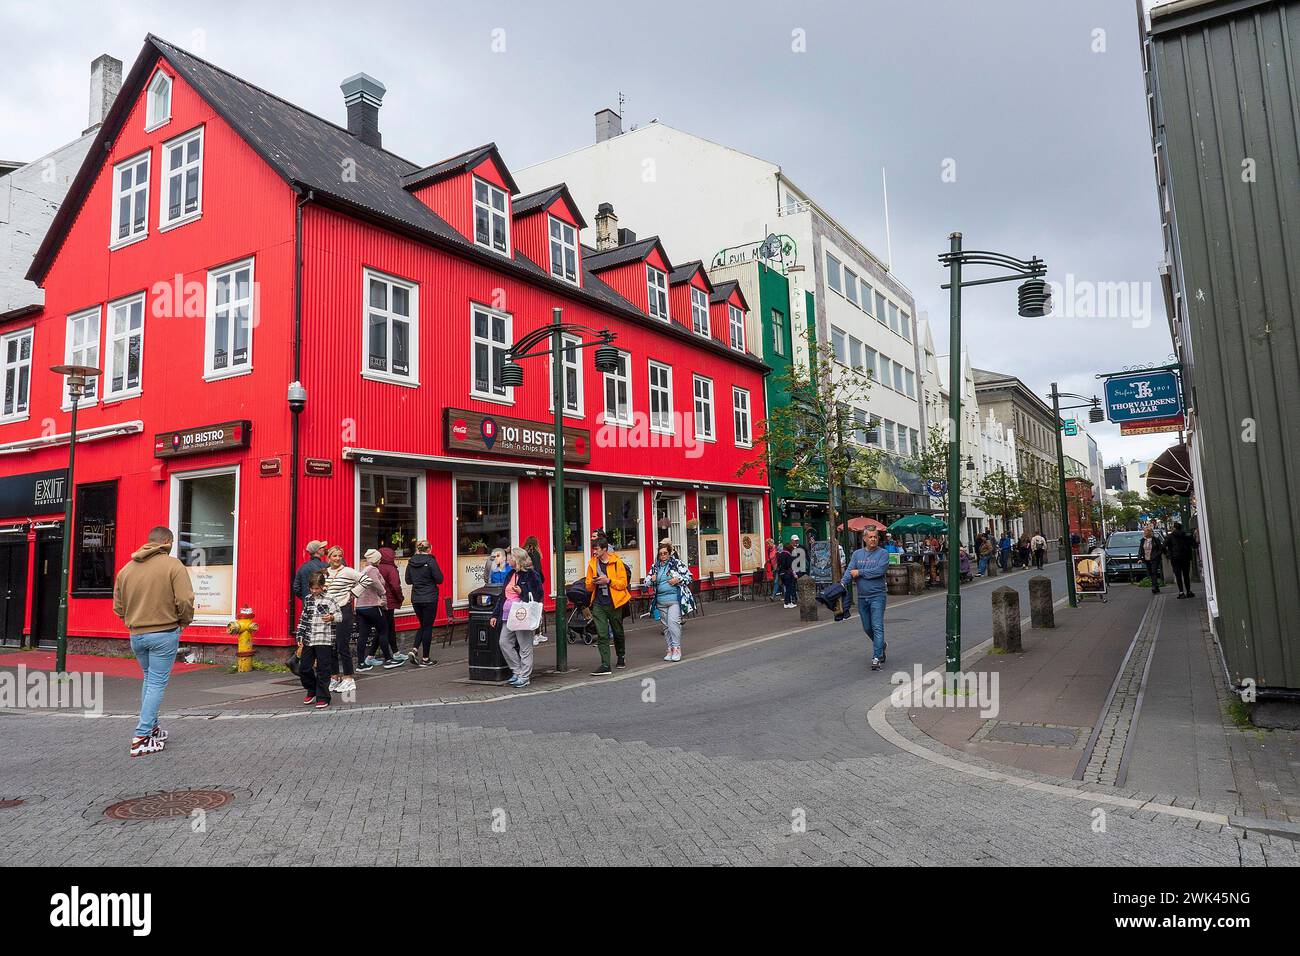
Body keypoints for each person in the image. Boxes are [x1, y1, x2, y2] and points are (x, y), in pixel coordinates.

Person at [113, 526, 195, 757]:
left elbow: (118, 606)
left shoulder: (126, 569)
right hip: (163, 633)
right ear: (167, 542)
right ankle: (141, 737)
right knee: (157, 683)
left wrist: (132, 621)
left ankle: (152, 728)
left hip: (136, 634)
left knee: (149, 680)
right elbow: (185, 599)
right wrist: (184, 621)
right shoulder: (173, 566)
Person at [322, 546, 369, 697]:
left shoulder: (347, 571)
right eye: (334, 556)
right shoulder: (325, 572)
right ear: (329, 557)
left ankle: (348, 677)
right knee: (330, 646)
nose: (337, 558)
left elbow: (366, 580)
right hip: (329, 612)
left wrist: (352, 594)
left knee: (342, 645)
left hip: (344, 610)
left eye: (340, 556)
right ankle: (334, 676)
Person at [841, 529, 890, 670]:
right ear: (864, 538)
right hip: (862, 597)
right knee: (867, 628)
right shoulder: (857, 554)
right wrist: (842, 583)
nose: (873, 539)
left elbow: (879, 571)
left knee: (877, 626)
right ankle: (882, 645)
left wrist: (860, 572)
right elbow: (850, 570)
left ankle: (877, 657)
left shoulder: (883, 553)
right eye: (870, 537)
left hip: (877, 596)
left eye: (875, 537)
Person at [499, 547, 544, 688]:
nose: (508, 560)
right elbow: (503, 596)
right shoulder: (510, 574)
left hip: (523, 615)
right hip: (508, 615)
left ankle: (524, 677)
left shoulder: (531, 575)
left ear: (517, 560)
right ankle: (517, 671)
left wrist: (522, 591)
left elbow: (537, 595)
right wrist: (495, 614)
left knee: (525, 647)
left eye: (511, 557)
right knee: (504, 642)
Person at [585, 536, 630, 675]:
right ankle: (605, 665)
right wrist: (593, 582)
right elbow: (588, 586)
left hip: (614, 603)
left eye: (597, 549)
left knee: (617, 631)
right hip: (598, 603)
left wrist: (608, 581)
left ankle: (621, 656)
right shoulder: (592, 563)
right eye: (593, 549)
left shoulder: (617, 562)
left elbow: (623, 583)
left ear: (604, 549)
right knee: (602, 633)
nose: (594, 552)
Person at [296, 571, 340, 709]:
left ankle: (323, 697)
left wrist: (332, 617)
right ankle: (312, 689)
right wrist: (300, 635)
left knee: (323, 669)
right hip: (309, 638)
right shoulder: (308, 599)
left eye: (317, 588)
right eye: (312, 588)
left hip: (325, 638)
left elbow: (340, 616)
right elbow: (304, 618)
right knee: (304, 668)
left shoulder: (330, 599)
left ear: (322, 586)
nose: (314, 591)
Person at [645, 543, 695, 661]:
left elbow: (689, 577)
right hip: (660, 601)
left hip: (674, 600)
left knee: (673, 623)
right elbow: (646, 582)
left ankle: (677, 648)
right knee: (666, 627)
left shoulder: (676, 564)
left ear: (669, 553)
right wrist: (651, 580)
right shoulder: (655, 566)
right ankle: (670, 648)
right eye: (660, 554)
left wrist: (678, 580)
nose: (663, 556)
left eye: (665, 553)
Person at [357, 549, 401, 669]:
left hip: (360, 606)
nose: (380, 560)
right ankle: (388, 660)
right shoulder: (372, 570)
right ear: (376, 560)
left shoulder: (363, 570)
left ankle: (361, 664)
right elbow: (379, 586)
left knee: (363, 635)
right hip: (372, 605)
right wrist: (384, 596)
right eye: (379, 558)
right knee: (383, 631)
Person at [404, 539, 442, 666]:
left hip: (416, 598)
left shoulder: (411, 562)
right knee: (427, 627)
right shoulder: (431, 561)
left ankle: (414, 649)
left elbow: (408, 580)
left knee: (423, 624)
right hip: (429, 598)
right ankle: (425, 658)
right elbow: (439, 579)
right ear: (429, 549)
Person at [375, 546, 406, 659]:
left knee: (388, 628)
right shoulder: (391, 568)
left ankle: (396, 652)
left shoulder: (376, 568)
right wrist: (400, 598)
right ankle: (373, 656)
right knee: (385, 629)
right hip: (388, 602)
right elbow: (395, 586)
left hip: (377, 601)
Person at [292, 540, 328, 616]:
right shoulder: (326, 566)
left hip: (308, 606)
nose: (325, 549)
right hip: (324, 606)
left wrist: (305, 596)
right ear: (318, 551)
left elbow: (296, 587)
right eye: (322, 547)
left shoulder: (303, 567)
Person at [1165, 522, 1195, 599]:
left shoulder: (1170, 536)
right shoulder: (1187, 535)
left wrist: (1168, 554)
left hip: (1175, 558)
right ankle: (1188, 591)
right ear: (1181, 528)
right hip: (1186, 557)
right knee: (1186, 575)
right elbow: (1194, 545)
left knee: (1178, 575)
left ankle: (1181, 592)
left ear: (1174, 528)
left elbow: (1163, 546)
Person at [1139, 526, 1165, 595]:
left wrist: (1156, 555)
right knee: (1150, 573)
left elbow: (1160, 549)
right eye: (1144, 532)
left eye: (1145, 532)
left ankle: (1154, 587)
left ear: (1149, 533)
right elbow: (1141, 549)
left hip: (1154, 559)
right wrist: (1140, 558)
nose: (1144, 533)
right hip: (1147, 559)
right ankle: (1156, 586)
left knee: (1154, 572)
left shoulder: (1155, 540)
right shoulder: (1143, 540)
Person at [777, 540, 797, 608]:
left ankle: (788, 602)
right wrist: (794, 574)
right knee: (789, 588)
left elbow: (778, 564)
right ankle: (787, 602)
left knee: (786, 588)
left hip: (781, 573)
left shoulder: (780, 555)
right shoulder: (788, 555)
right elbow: (790, 565)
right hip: (787, 573)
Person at [764, 537, 779, 601]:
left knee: (776, 582)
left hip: (779, 567)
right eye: (767, 544)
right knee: (779, 582)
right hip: (774, 568)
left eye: (768, 544)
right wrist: (769, 561)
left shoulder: (777, 548)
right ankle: (786, 596)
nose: (767, 545)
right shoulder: (768, 550)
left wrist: (777, 565)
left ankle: (773, 596)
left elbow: (780, 557)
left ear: (772, 543)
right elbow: (771, 559)